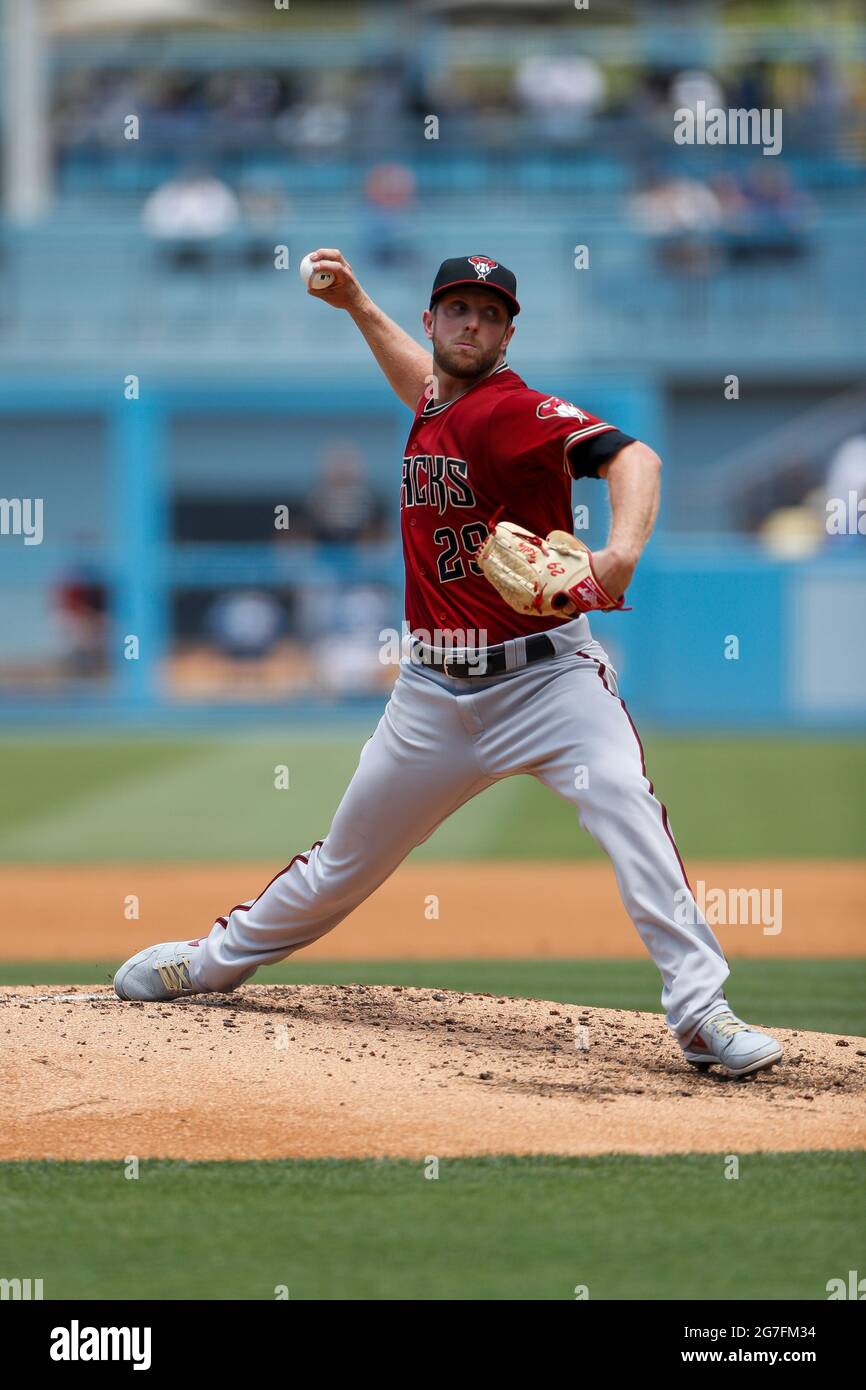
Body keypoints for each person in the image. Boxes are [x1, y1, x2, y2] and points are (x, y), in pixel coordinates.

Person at [114, 252, 783, 1080]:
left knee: (625, 803)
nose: (473, 323)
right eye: (457, 309)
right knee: (339, 869)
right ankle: (209, 962)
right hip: (432, 691)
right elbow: (419, 384)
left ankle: (700, 1012)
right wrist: (358, 303)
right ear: (432, 323)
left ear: (507, 332)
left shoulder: (521, 410)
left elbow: (634, 458)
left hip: (548, 682)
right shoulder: (437, 399)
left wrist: (620, 554)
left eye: (490, 313)